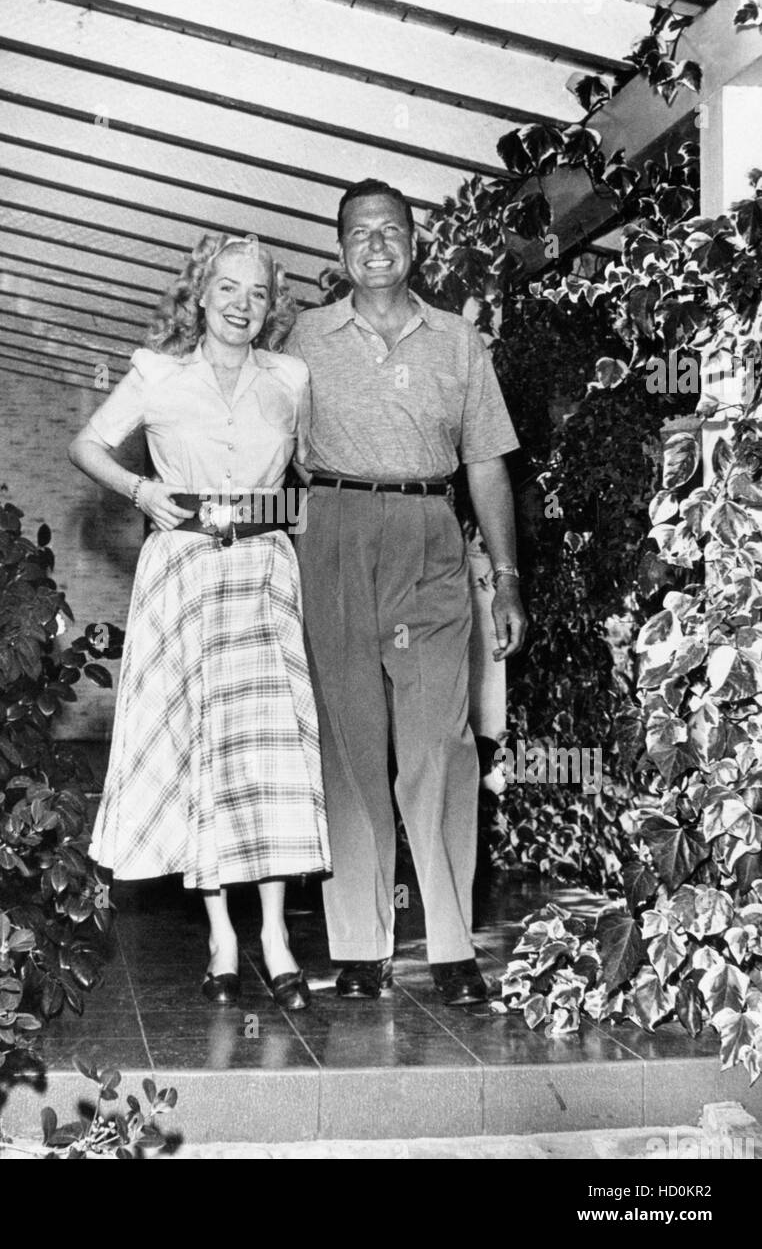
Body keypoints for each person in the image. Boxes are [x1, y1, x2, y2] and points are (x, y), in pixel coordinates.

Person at [68, 233, 330, 1011]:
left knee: (271, 751)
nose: (242, 306)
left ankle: (276, 939)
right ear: (199, 294)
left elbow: (306, 481)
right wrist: (141, 493)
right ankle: (222, 938)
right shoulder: (158, 374)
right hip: (181, 570)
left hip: (261, 573)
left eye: (257, 293)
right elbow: (84, 445)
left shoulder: (291, 376)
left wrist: (268, 519)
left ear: (270, 305)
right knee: (203, 749)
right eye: (228, 290)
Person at [285, 179, 528, 1006]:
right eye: (360, 232)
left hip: (432, 535)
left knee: (440, 745)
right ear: (341, 249)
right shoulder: (305, 338)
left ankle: (454, 948)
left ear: (415, 245)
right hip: (334, 532)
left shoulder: (459, 341)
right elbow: (260, 442)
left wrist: (509, 581)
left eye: (392, 230)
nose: (377, 244)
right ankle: (359, 948)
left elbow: (487, 463)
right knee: (349, 749)